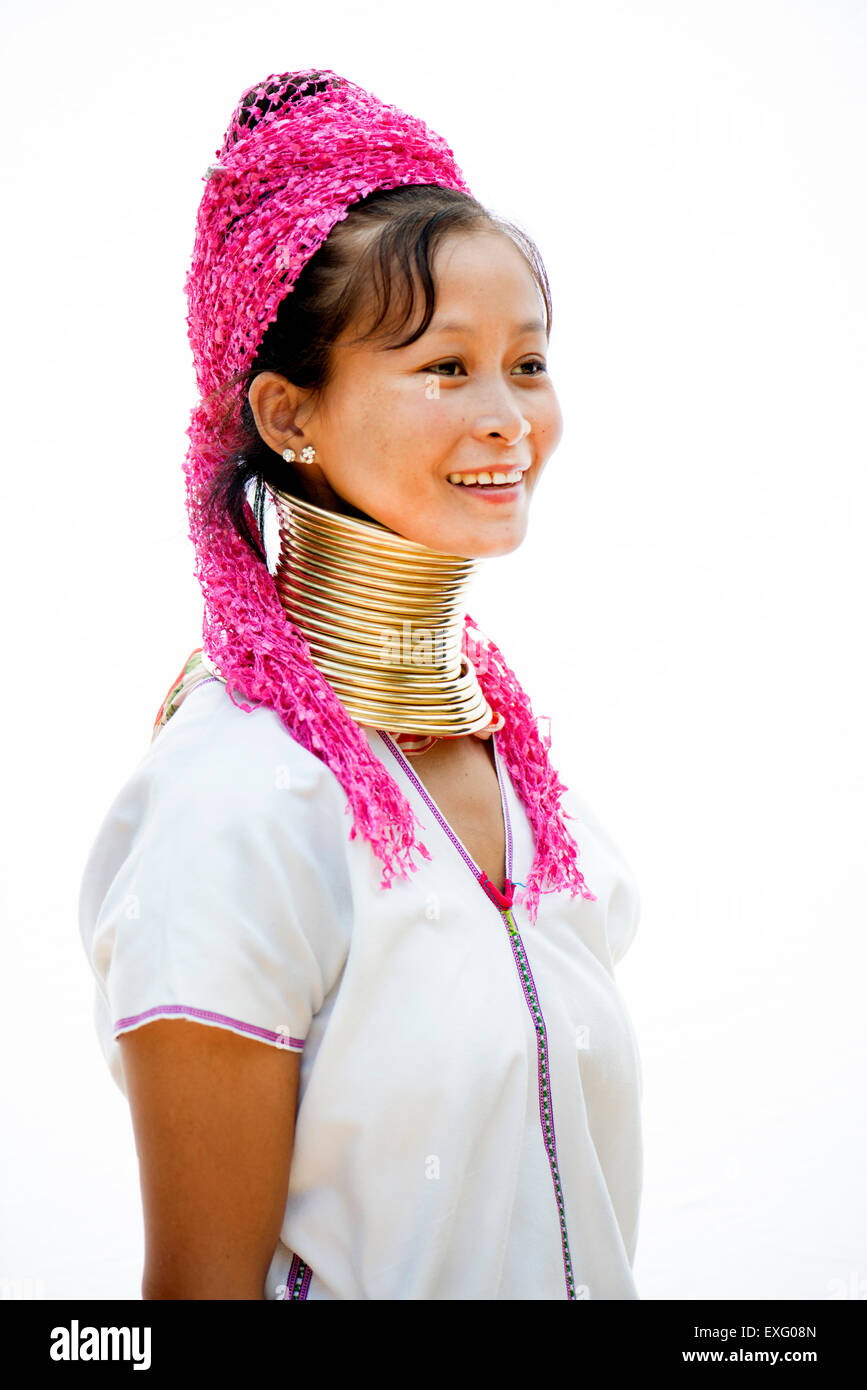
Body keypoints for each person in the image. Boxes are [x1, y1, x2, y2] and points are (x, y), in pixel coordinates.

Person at [78, 68, 644, 1301]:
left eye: (529, 362)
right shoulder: (235, 803)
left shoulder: (531, 784)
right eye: (446, 367)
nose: (508, 418)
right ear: (289, 412)